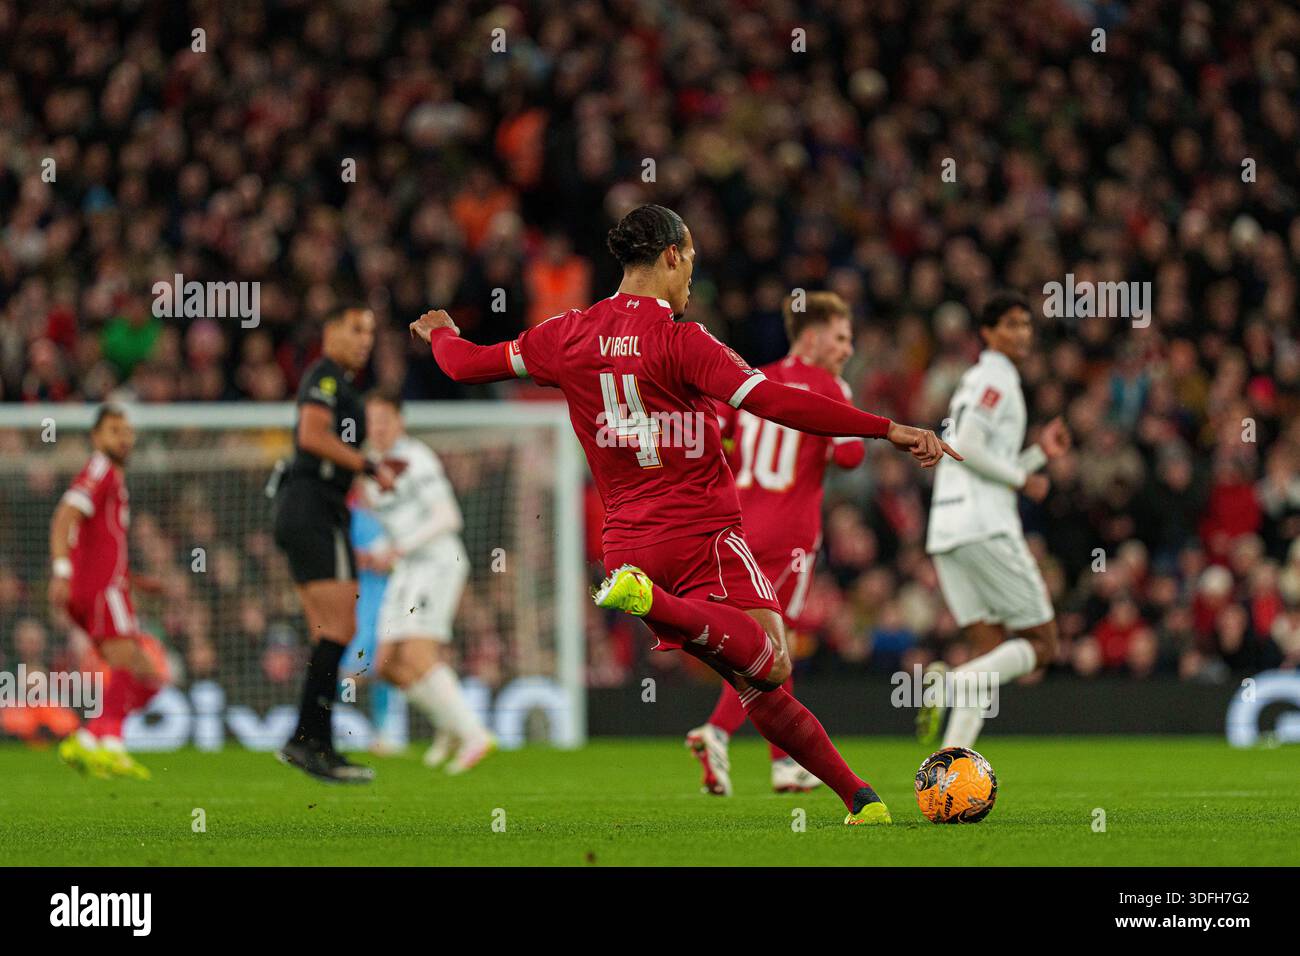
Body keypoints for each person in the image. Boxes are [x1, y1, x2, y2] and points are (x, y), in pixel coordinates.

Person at [411, 203, 960, 825]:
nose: (692, 273)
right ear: (672, 254)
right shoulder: (682, 339)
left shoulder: (566, 334)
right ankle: (652, 601)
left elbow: (465, 364)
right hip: (702, 538)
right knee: (774, 660)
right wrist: (887, 427)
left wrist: (441, 333)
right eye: (692, 258)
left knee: (757, 684)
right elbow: (779, 402)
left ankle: (859, 798)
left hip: (625, 542)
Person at [686, 291, 866, 796]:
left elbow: (712, 436)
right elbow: (851, 457)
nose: (847, 348)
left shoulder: (751, 379)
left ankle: (784, 763)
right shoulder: (831, 386)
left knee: (762, 644)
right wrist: (825, 440)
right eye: (840, 337)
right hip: (789, 534)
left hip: (736, 527)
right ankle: (716, 731)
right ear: (811, 337)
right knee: (773, 647)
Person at [919, 291, 1071, 750]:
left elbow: (981, 457)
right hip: (984, 525)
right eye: (1010, 324)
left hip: (947, 528)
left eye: (1026, 324)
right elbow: (966, 444)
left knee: (989, 653)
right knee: (1042, 644)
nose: (1022, 333)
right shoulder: (996, 379)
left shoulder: (974, 380)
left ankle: (951, 764)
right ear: (987, 333)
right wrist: (1022, 480)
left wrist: (1036, 456)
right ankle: (950, 685)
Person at [272, 307, 396, 782]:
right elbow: (311, 436)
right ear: (329, 332)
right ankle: (308, 741)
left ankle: (314, 742)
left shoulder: (338, 383)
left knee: (328, 633)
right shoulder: (323, 378)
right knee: (339, 631)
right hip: (315, 514)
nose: (365, 340)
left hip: (304, 511)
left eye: (370, 331)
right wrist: (368, 466)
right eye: (355, 329)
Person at [359, 389, 494, 774]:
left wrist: (399, 547)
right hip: (407, 568)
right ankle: (449, 725)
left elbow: (448, 517)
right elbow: (397, 525)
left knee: (418, 654)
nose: (378, 428)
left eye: (385, 420)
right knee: (385, 664)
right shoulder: (370, 472)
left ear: (399, 422)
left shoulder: (417, 460)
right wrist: (381, 550)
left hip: (437, 562)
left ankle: (473, 734)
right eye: (371, 420)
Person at [51, 404, 169, 780]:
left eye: (127, 430)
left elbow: (104, 545)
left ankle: (88, 739)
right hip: (101, 591)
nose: (124, 437)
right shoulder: (99, 469)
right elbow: (64, 516)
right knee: (125, 662)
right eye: (114, 430)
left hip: (110, 587)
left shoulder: (114, 479)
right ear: (96, 437)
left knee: (148, 675)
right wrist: (60, 570)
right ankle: (111, 744)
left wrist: (136, 580)